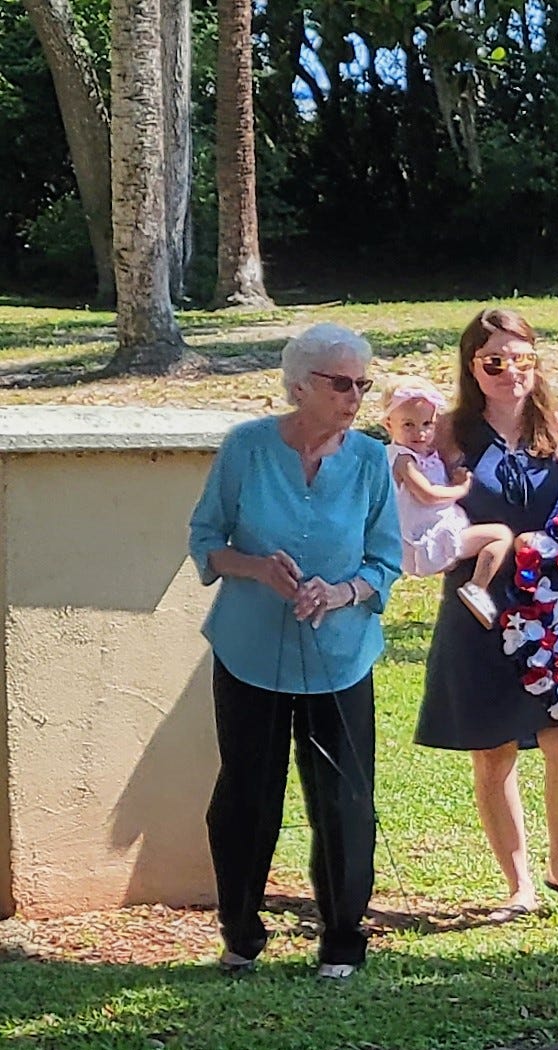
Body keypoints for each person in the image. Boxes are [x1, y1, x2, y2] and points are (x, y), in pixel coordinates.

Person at [187, 324, 402, 980]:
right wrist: (257, 568)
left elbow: (385, 559)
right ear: (299, 386)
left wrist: (340, 592)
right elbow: (206, 539)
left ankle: (342, 940)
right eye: (341, 384)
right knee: (248, 795)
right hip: (249, 648)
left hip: (341, 654)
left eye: (363, 384)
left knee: (343, 800)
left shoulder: (371, 460)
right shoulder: (247, 448)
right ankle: (240, 935)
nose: (355, 397)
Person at [416, 308, 558, 919]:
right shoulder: (448, 433)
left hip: (552, 601)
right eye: (495, 361)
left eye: (522, 359)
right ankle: (518, 884)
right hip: (479, 600)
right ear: (472, 366)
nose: (510, 372)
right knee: (493, 750)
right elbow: (412, 501)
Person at [379, 381, 511, 627]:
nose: (419, 433)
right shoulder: (403, 459)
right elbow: (427, 494)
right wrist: (460, 489)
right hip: (426, 540)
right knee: (500, 535)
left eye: (427, 424)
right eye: (408, 425)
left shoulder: (424, 455)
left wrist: (453, 477)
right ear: (389, 424)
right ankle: (476, 587)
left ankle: (471, 583)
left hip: (437, 531)